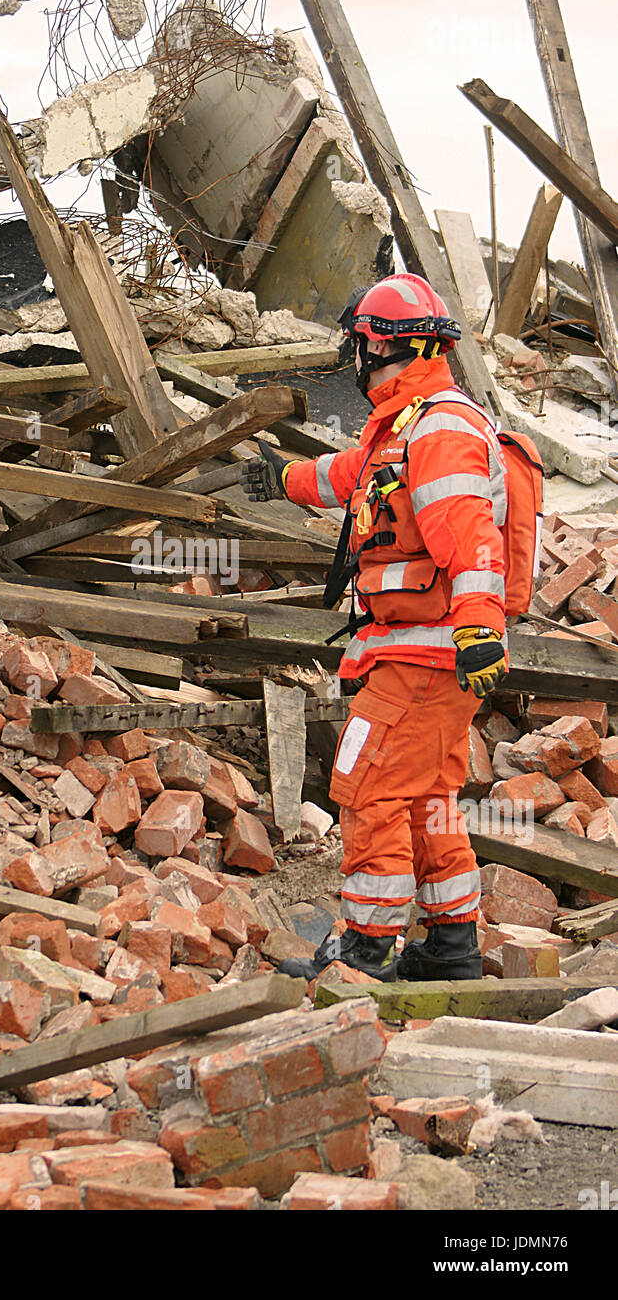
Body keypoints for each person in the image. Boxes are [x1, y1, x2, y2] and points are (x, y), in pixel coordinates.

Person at [241, 274, 510, 982]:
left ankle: (364, 952)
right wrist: (284, 478)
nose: (352, 362)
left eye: (356, 346)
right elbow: (351, 477)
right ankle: (452, 948)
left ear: (373, 345)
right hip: (424, 655)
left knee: (367, 789)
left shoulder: (440, 427)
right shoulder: (410, 425)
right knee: (426, 802)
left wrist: (481, 625)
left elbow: (473, 536)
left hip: (426, 654)